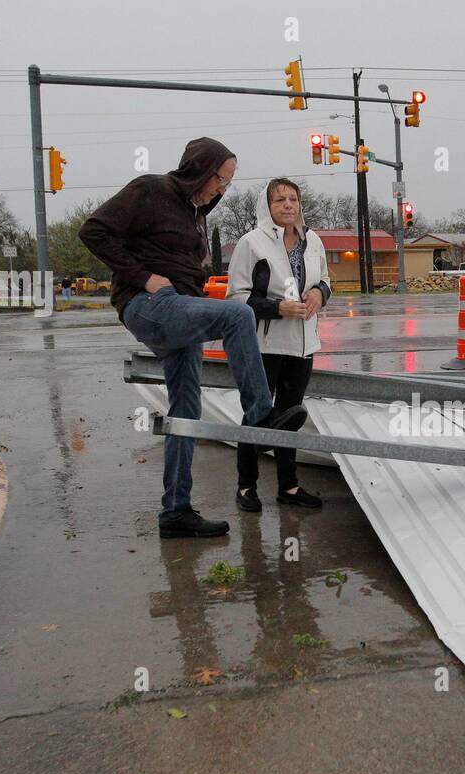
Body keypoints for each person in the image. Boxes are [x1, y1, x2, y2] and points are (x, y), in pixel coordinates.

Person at [80, 138, 306, 539]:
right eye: (221, 178)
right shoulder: (151, 189)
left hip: (180, 310)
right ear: (199, 169)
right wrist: (144, 278)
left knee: (185, 415)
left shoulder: (193, 213)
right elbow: (94, 231)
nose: (223, 188)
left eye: (228, 182)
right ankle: (260, 415)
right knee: (238, 314)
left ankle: (175, 512)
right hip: (149, 304)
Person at [228, 178, 330, 512]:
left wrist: (318, 293)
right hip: (265, 344)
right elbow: (238, 298)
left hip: (303, 345)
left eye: (293, 199)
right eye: (279, 200)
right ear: (267, 207)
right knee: (257, 414)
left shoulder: (313, 240)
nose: (287, 205)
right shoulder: (251, 243)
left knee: (290, 416)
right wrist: (277, 308)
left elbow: (326, 281)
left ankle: (288, 486)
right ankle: (246, 487)